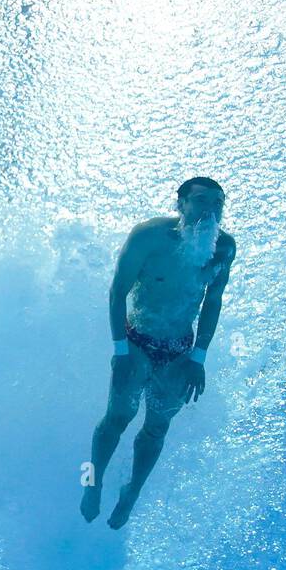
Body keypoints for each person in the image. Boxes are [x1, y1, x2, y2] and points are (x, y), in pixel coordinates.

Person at [80, 177, 236, 529]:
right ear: (180, 204)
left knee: (156, 429)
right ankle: (94, 482)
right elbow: (117, 292)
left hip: (179, 353)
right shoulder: (148, 236)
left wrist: (198, 359)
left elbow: (213, 301)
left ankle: (132, 492)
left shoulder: (224, 247)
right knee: (118, 418)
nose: (210, 209)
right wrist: (120, 352)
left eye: (218, 202)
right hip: (137, 343)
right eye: (200, 201)